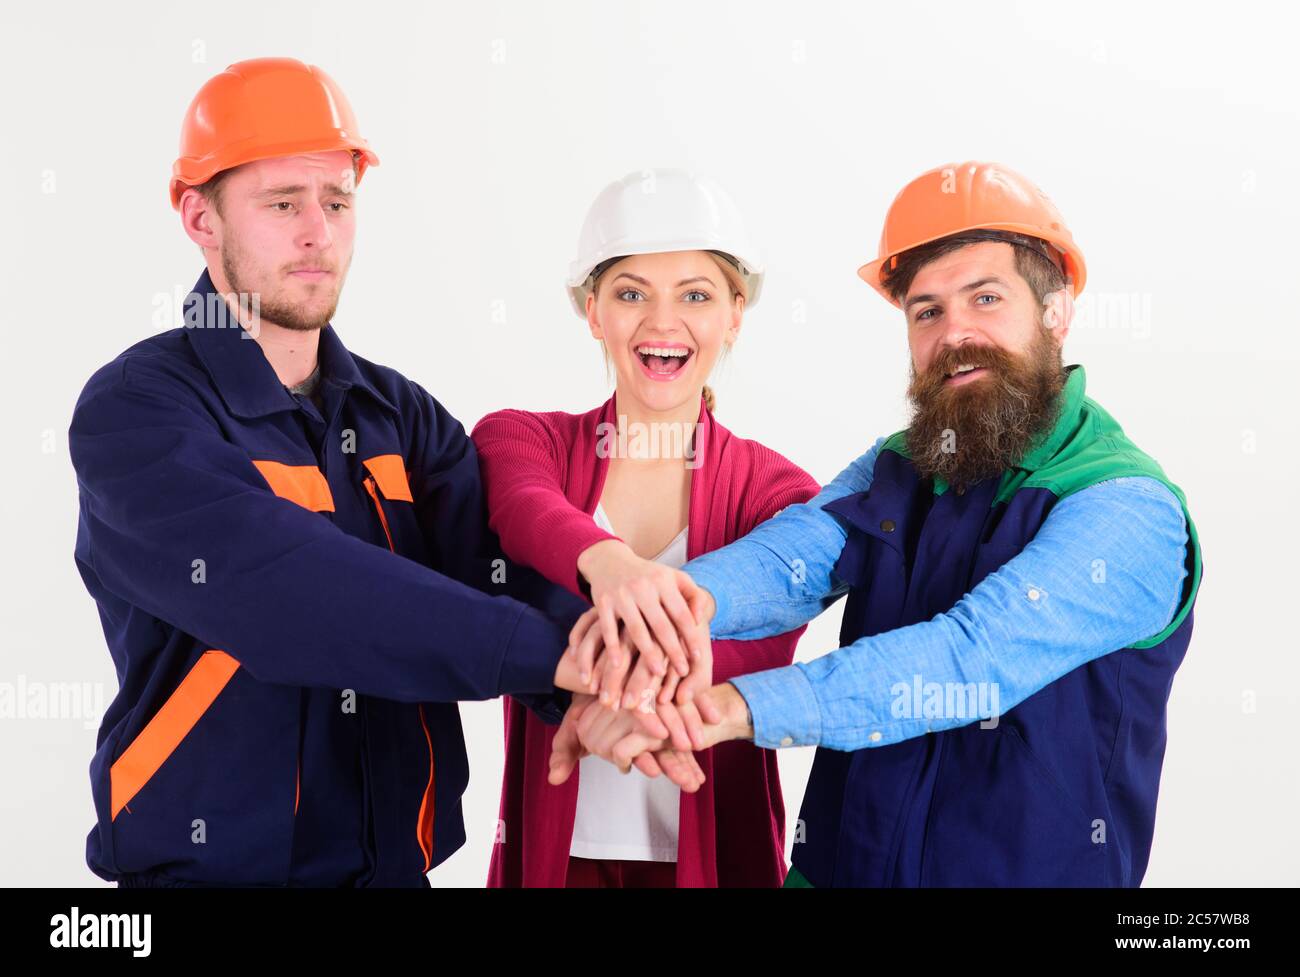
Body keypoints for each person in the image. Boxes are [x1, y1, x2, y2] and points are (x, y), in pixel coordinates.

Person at [560, 161, 1204, 887]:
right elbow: (787, 564)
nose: (955, 332)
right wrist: (650, 621)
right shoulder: (903, 463)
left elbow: (967, 662)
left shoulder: (1127, 508)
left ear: (1056, 309)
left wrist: (727, 707)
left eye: (984, 298)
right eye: (926, 310)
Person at [69, 57, 592, 888]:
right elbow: (287, 588)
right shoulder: (138, 413)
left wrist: (601, 683)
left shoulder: (400, 414)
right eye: (283, 204)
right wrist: (554, 655)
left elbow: (501, 571)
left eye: (338, 202)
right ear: (198, 216)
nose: (319, 232)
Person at [473, 168, 819, 887]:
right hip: (558, 860)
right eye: (631, 293)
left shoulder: (781, 496)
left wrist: (617, 686)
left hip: (710, 858)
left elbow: (760, 653)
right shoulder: (523, 441)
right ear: (594, 311)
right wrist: (614, 565)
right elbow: (520, 503)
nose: (663, 323)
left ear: (733, 316)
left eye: (696, 294)